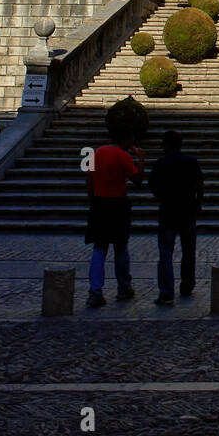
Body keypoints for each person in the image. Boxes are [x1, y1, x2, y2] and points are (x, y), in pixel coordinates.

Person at [84, 130, 145, 308]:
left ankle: (95, 291)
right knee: (121, 247)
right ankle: (124, 287)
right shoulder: (124, 156)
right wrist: (141, 159)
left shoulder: (97, 152)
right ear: (127, 140)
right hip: (118, 204)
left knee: (99, 248)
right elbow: (138, 180)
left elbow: (88, 178)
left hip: (99, 203)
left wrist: (92, 199)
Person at [149, 130, 204, 306]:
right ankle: (187, 285)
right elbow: (200, 185)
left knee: (165, 253)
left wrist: (162, 197)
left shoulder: (160, 163)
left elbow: (153, 187)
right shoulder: (191, 162)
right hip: (188, 211)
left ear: (165, 145)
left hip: (167, 212)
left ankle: (166, 292)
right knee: (189, 251)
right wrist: (198, 204)